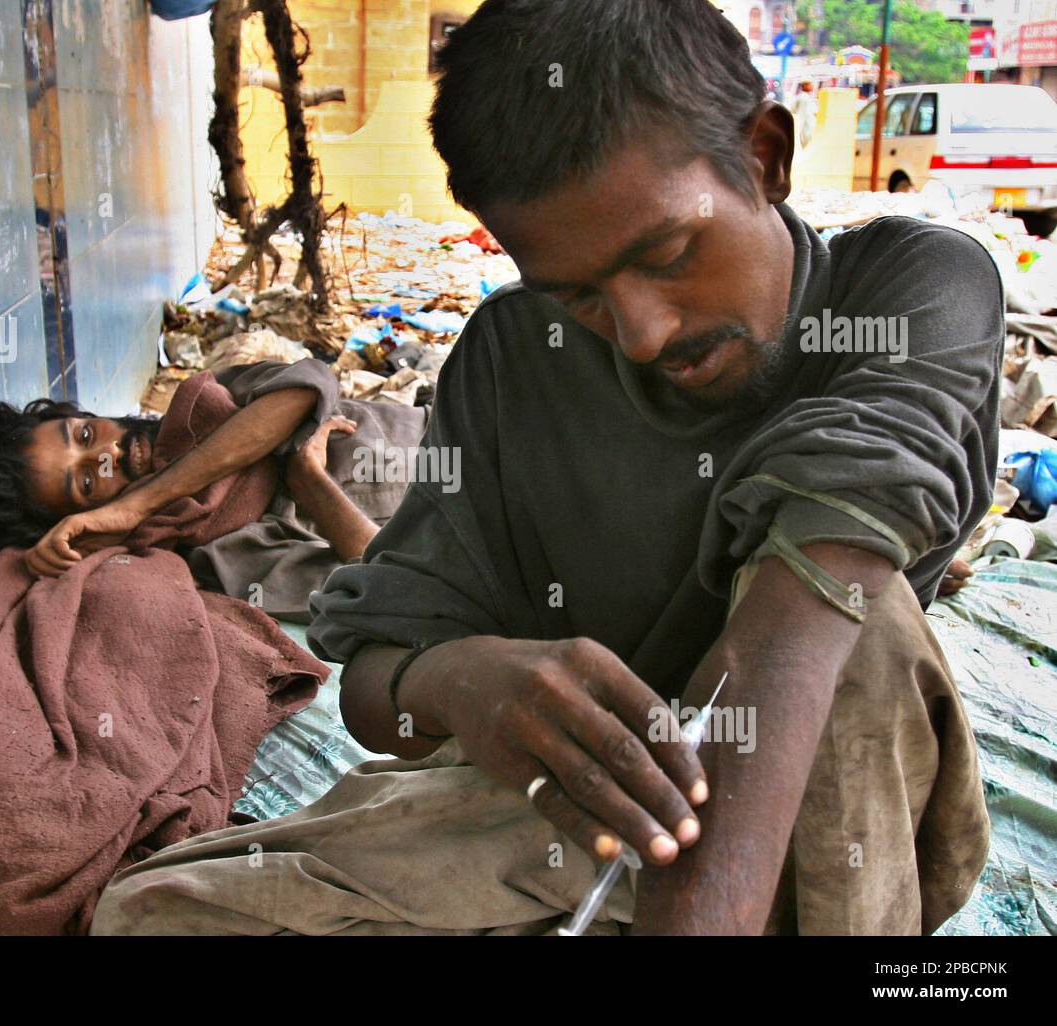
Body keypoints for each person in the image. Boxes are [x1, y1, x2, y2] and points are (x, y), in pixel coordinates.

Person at [91, 0, 999, 936]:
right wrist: (462, 683)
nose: (644, 334)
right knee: (152, 916)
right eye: (577, 294)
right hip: (577, 811)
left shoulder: (913, 287)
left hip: (812, 835)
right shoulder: (511, 357)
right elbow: (375, 684)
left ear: (765, 156)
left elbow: (800, 624)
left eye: (671, 254)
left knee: (862, 615)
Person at [0, 360, 428, 621]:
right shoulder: (227, 554)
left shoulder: (207, 405)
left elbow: (309, 385)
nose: (109, 454)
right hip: (479, 527)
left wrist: (139, 503)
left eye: (86, 435)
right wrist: (312, 484)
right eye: (88, 483)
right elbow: (387, 584)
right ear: (87, 522)